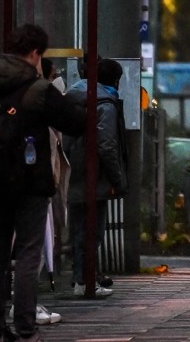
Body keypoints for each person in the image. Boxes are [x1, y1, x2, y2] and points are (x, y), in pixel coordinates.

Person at [0, 24, 85, 342]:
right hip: (30, 183)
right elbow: (74, 121)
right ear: (35, 54)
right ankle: (25, 328)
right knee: (27, 253)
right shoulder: (38, 90)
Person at [65, 59, 128, 298]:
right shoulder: (106, 105)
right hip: (94, 174)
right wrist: (118, 179)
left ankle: (81, 277)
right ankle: (84, 280)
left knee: (79, 228)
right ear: (115, 80)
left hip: (73, 170)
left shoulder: (73, 96)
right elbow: (107, 146)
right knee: (93, 231)